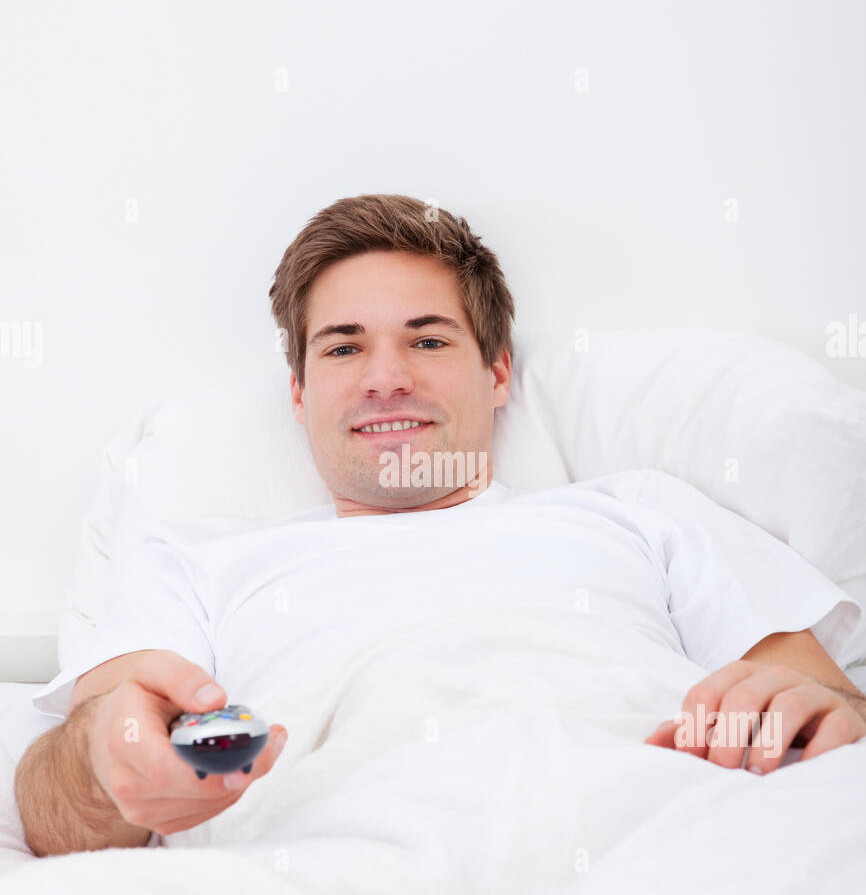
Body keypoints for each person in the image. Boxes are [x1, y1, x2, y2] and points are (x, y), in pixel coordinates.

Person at [14, 194, 866, 857]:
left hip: (662, 845)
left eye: (426, 341)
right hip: (321, 884)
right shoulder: (192, 563)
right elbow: (67, 805)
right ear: (300, 394)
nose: (385, 378)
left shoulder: (639, 513)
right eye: (343, 348)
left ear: (498, 373)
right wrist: (104, 766)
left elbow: (834, 708)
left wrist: (812, 711)